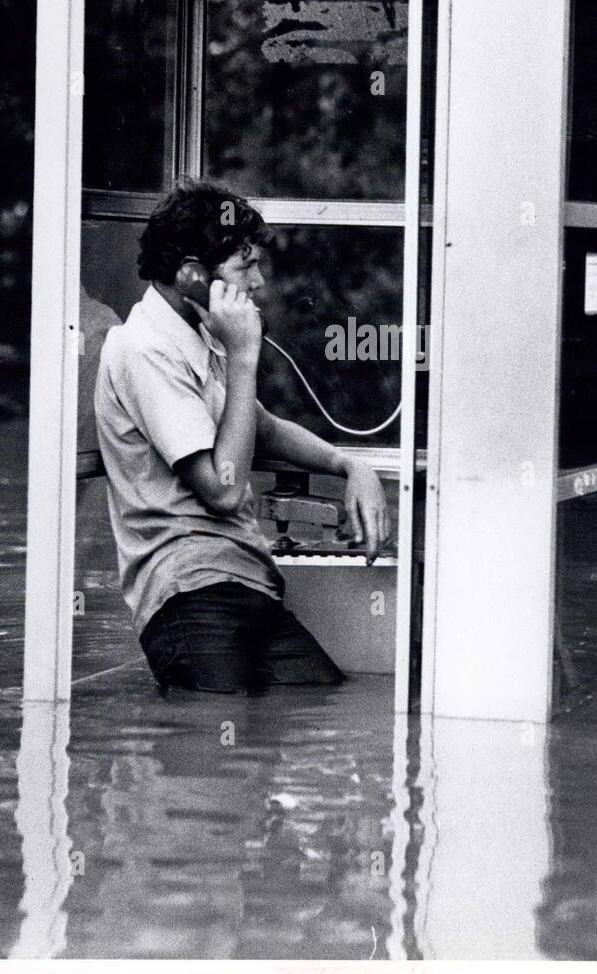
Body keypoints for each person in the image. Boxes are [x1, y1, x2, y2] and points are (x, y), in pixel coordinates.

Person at [94, 180, 390, 695]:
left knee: (318, 703)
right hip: (188, 592)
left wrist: (350, 466)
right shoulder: (143, 349)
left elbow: (265, 429)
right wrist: (245, 354)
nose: (257, 282)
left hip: (243, 578)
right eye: (243, 266)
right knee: (217, 755)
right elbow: (224, 487)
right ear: (191, 274)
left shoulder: (198, 339)